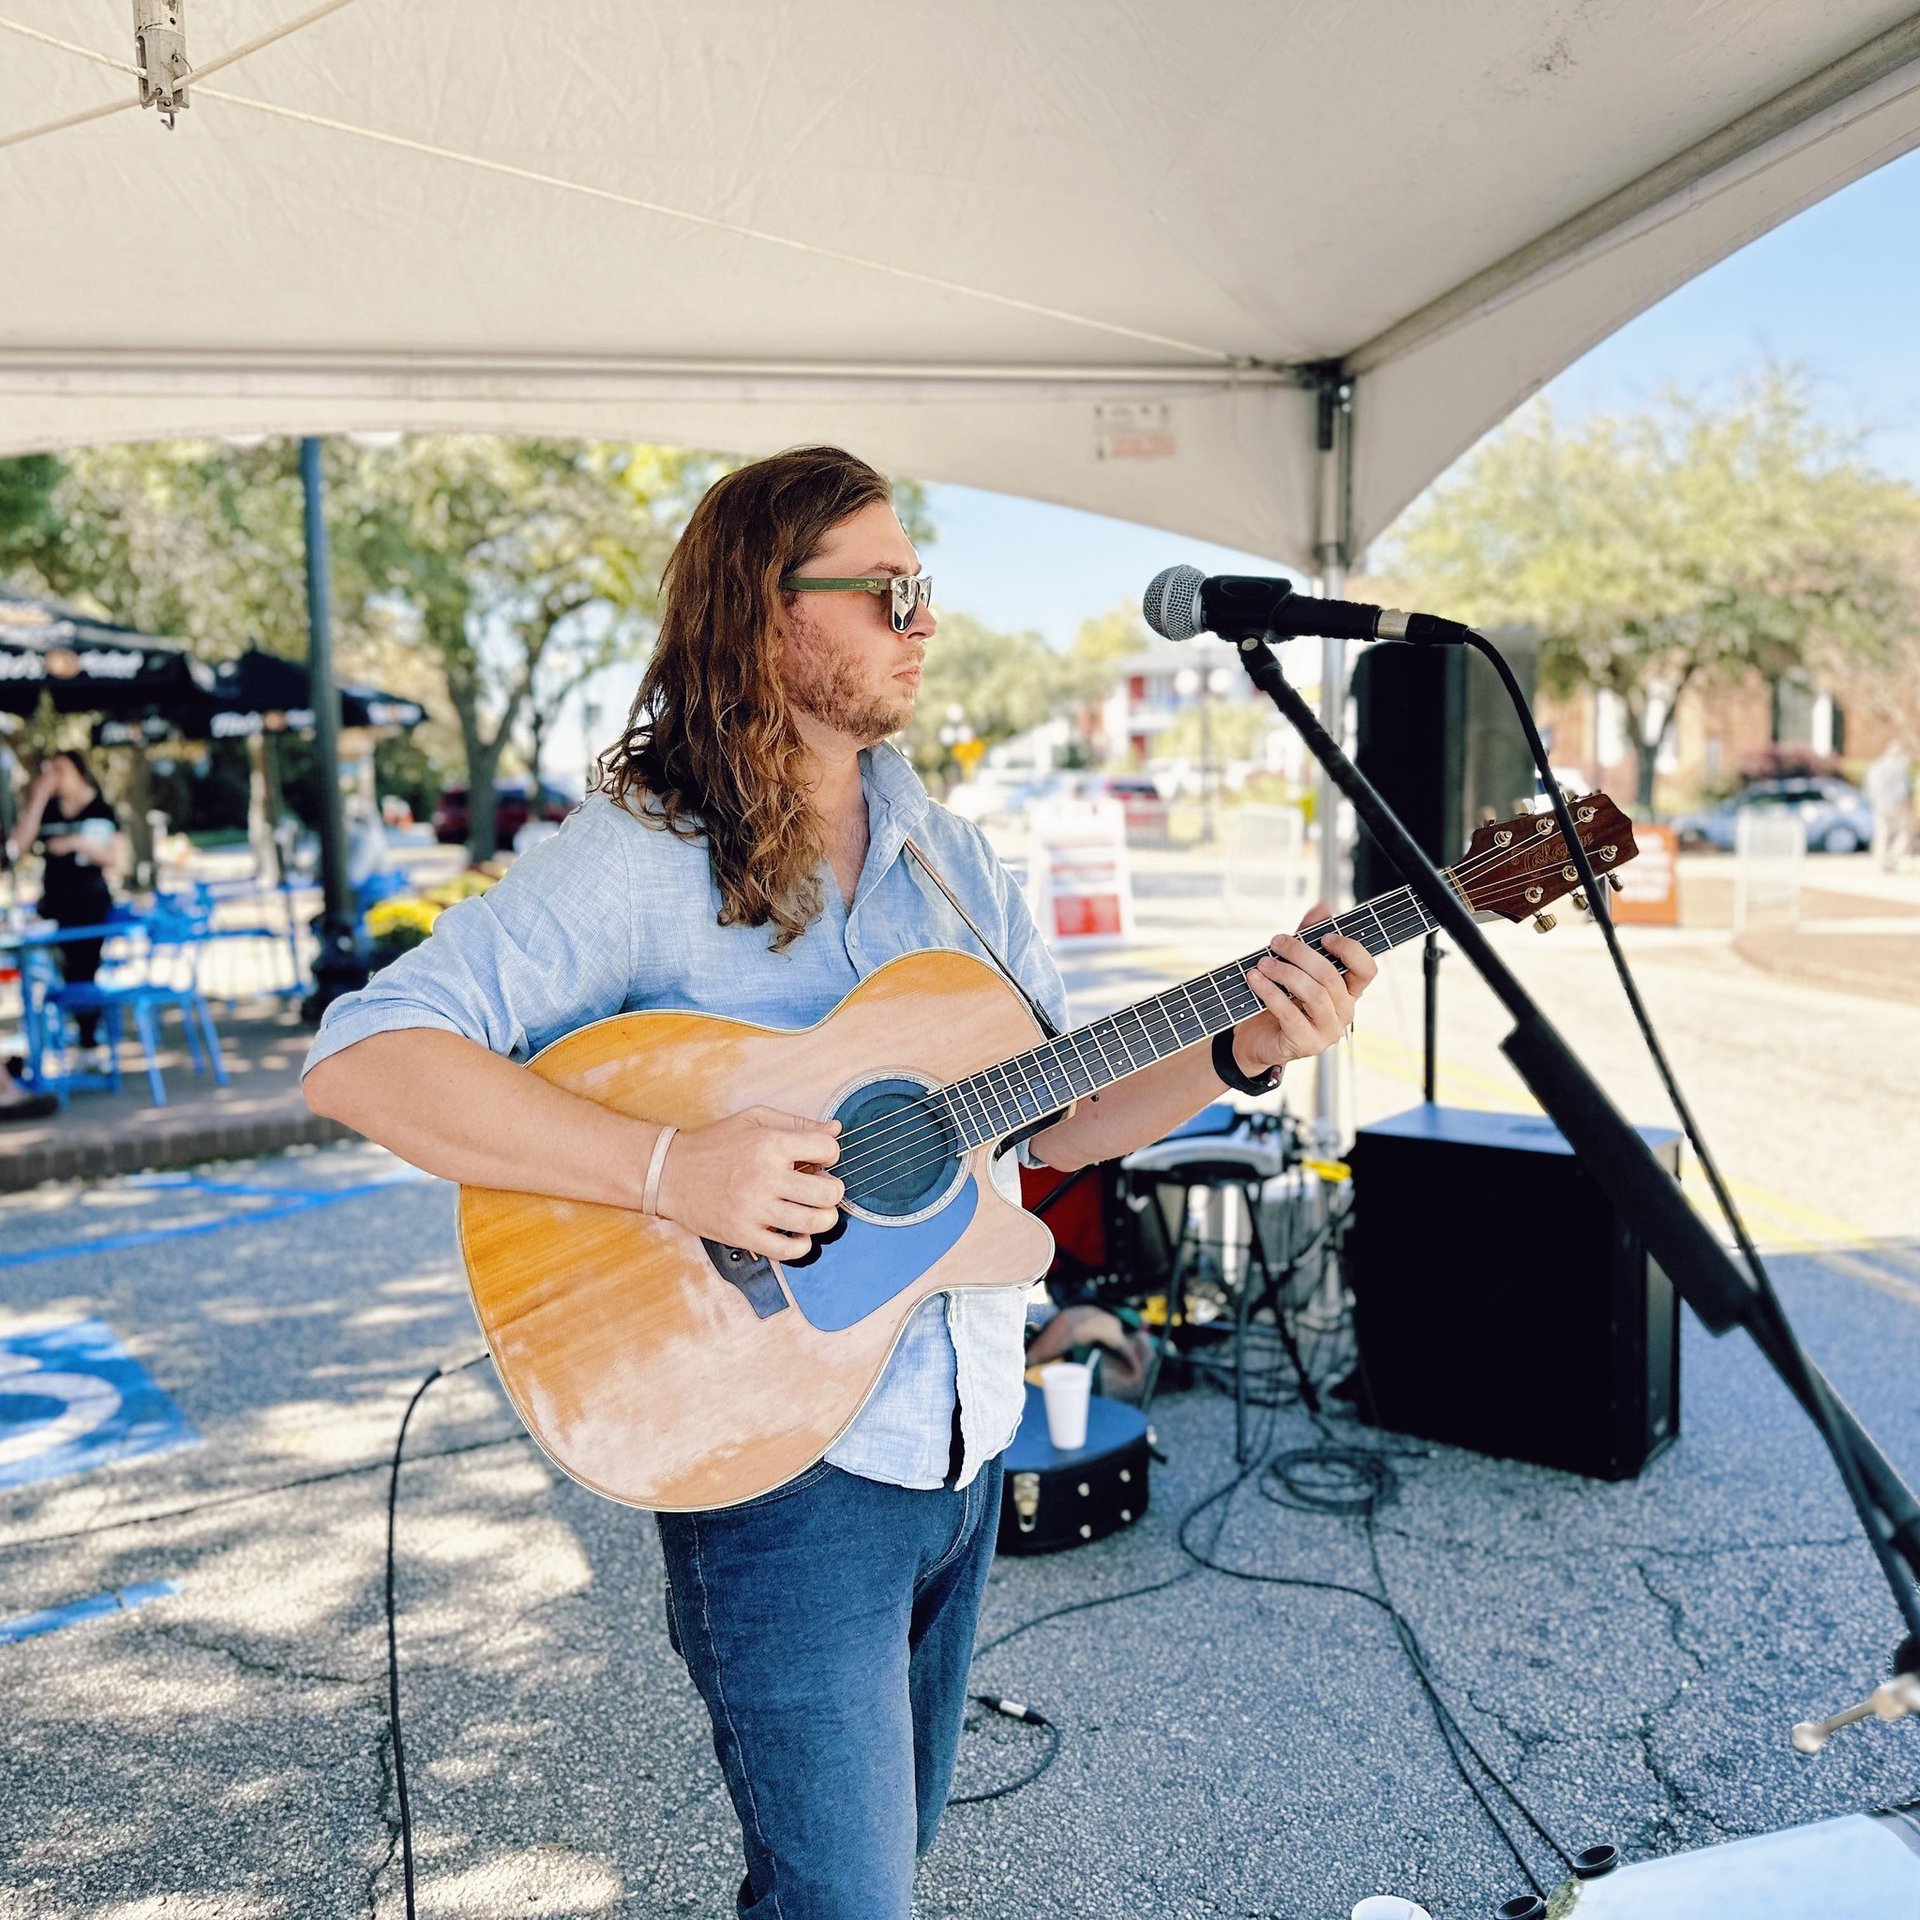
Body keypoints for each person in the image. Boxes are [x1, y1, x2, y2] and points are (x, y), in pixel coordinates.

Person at [301, 446, 1375, 1919]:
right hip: (776, 1466)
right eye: (889, 591)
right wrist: (677, 1168)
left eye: (923, 589)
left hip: (959, 1441)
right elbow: (365, 1055)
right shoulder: (639, 859)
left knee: (879, 1870)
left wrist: (1245, 1046)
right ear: (762, 613)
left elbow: (1050, 1128)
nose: (924, 620)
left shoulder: (951, 860)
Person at [11, 749, 128, 1061]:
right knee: (50, 971)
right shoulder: (48, 809)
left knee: (83, 970)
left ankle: (89, 1039)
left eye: (60, 770)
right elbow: (17, 847)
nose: (55, 777)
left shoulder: (101, 809)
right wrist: (37, 798)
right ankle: (54, 1038)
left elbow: (116, 859)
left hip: (89, 903)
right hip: (52, 905)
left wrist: (78, 845)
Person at [1864, 741, 1912, 873]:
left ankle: (1881, 862)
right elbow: (1904, 790)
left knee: (1882, 834)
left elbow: (1868, 788)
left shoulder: (1875, 766)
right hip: (1897, 806)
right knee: (1903, 834)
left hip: (1879, 805)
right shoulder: (1899, 767)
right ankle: (1892, 859)